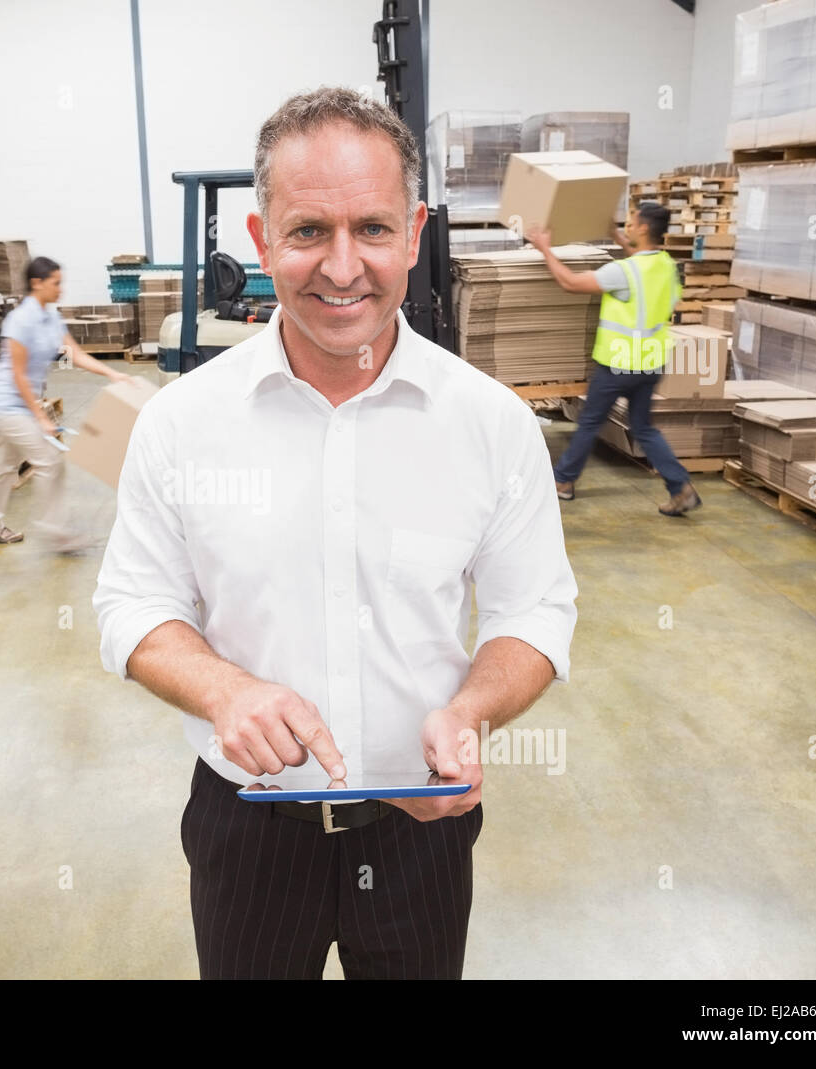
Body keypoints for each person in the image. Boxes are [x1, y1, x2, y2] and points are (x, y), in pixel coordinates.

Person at [93, 88, 577, 980]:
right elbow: (134, 602)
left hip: (420, 834)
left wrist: (471, 710)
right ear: (262, 235)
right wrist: (224, 691)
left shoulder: (489, 424)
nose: (343, 266)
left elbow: (534, 611)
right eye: (309, 231)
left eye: (374, 229)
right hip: (249, 829)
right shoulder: (183, 422)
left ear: (416, 230)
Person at [526, 204, 702, 516]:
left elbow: (570, 283)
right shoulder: (667, 266)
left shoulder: (623, 271)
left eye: (631, 223)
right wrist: (615, 235)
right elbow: (641, 266)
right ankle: (680, 487)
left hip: (618, 363)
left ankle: (563, 481)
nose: (627, 226)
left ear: (644, 229)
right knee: (643, 428)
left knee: (590, 421)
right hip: (651, 362)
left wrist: (545, 250)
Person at [0, 256, 132, 550]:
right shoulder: (20, 320)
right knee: (49, 460)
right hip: (5, 403)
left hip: (20, 403)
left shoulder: (51, 317)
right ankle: (56, 532)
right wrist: (42, 417)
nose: (61, 289)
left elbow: (76, 355)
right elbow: (18, 375)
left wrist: (112, 373)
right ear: (37, 283)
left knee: (5, 466)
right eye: (56, 283)